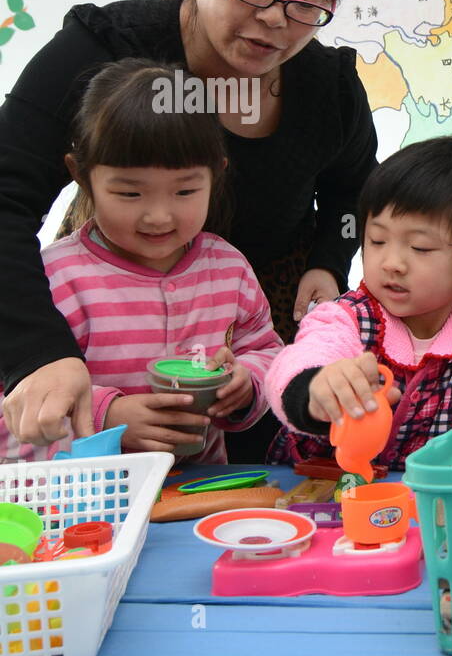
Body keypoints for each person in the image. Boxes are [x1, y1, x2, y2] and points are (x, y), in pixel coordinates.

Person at [0, 0, 378, 460]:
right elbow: (5, 201)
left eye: (307, 0)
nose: (276, 17)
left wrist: (330, 262)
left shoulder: (328, 87)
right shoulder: (103, 49)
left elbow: (353, 192)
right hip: (109, 327)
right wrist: (39, 353)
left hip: (252, 334)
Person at [0, 59, 283, 462]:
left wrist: (247, 383)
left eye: (185, 192)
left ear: (216, 175)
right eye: (130, 194)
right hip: (90, 507)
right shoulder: (52, 281)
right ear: (81, 176)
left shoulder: (229, 269)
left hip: (199, 496)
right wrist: (106, 416)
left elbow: (265, 349)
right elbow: (12, 413)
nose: (158, 217)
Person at [267, 138, 452, 471]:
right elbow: (295, 363)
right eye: (377, 240)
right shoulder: (346, 317)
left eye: (419, 247)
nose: (392, 263)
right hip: (323, 499)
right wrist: (317, 388)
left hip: (434, 510)